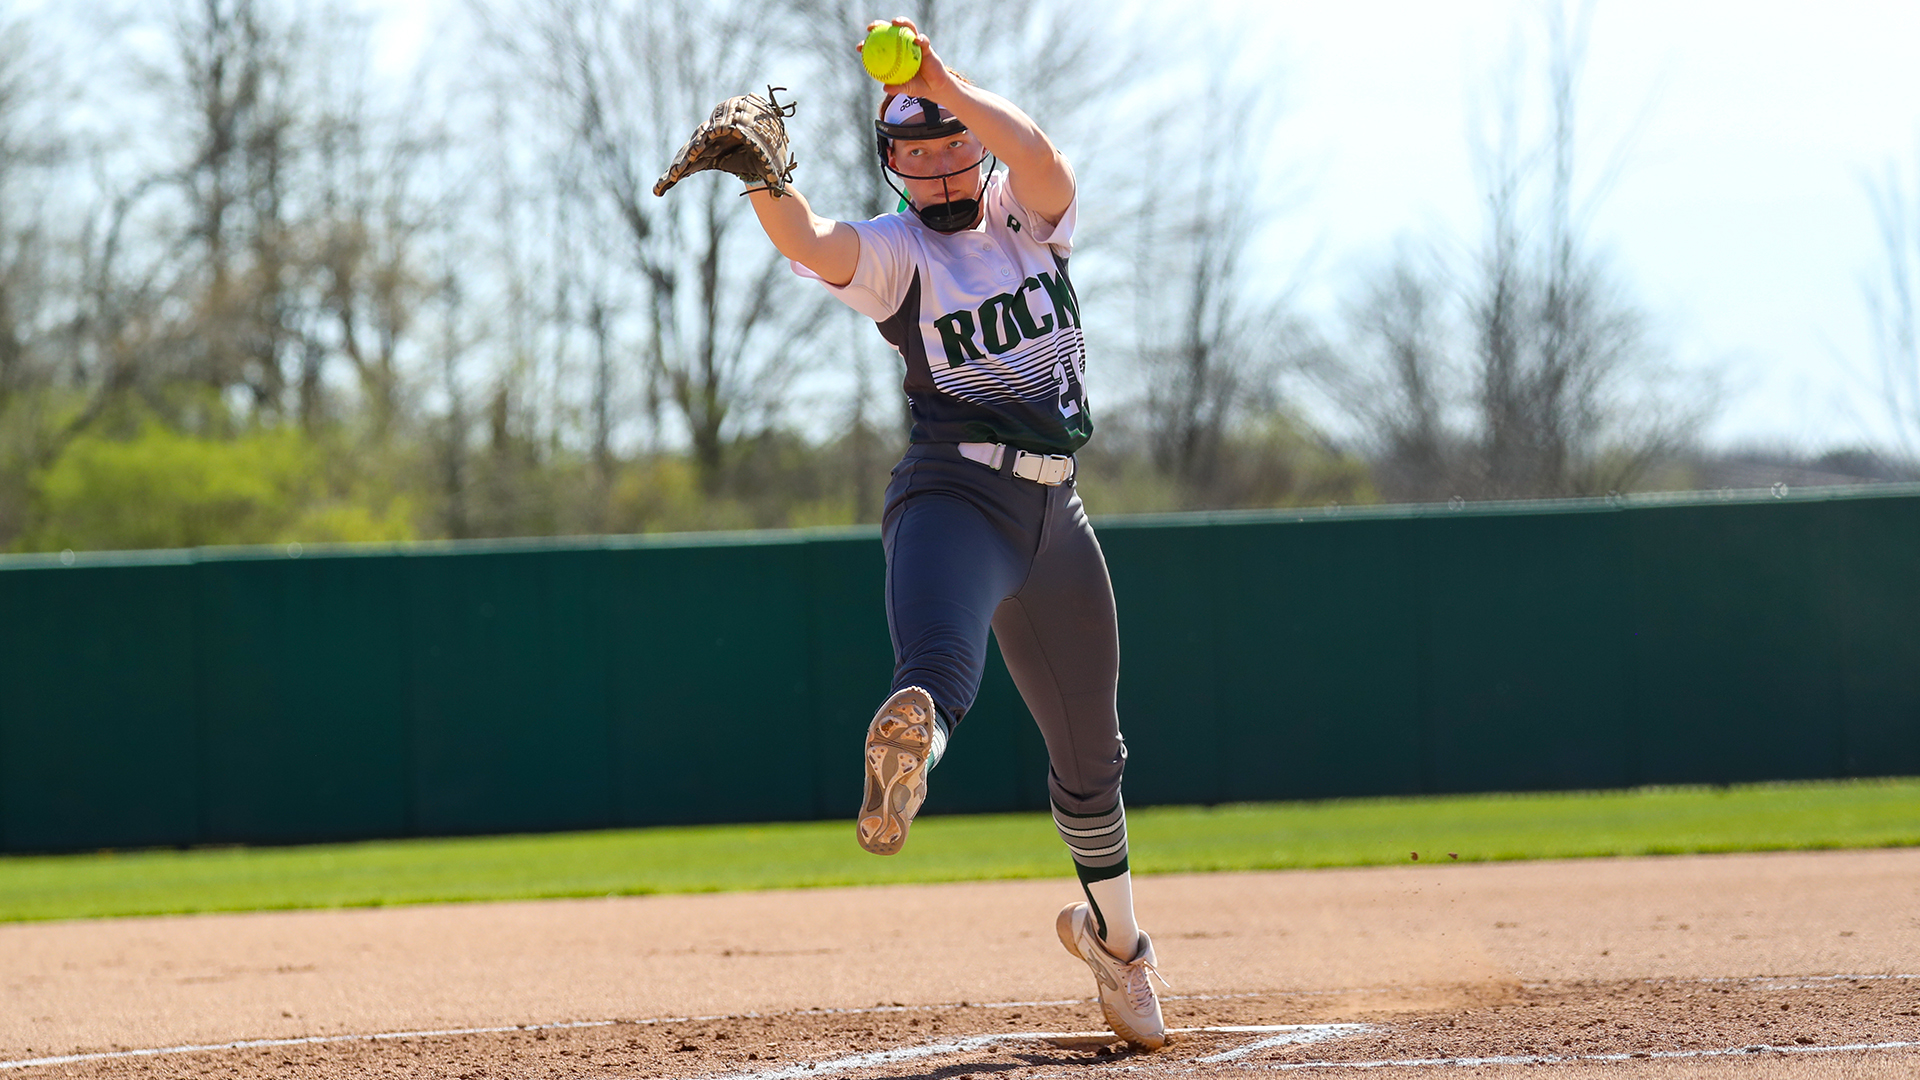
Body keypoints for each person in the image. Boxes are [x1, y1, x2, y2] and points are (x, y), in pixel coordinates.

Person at [741, 18, 1165, 1051]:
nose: (937, 171)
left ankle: (1119, 948)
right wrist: (763, 183)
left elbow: (1042, 157)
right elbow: (812, 242)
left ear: (975, 143)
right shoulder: (899, 257)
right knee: (933, 670)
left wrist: (946, 85)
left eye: (949, 149)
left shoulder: (1031, 221)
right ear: (893, 171)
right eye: (915, 157)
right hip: (954, 497)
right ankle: (912, 747)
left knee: (1092, 758)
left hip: (1057, 515)